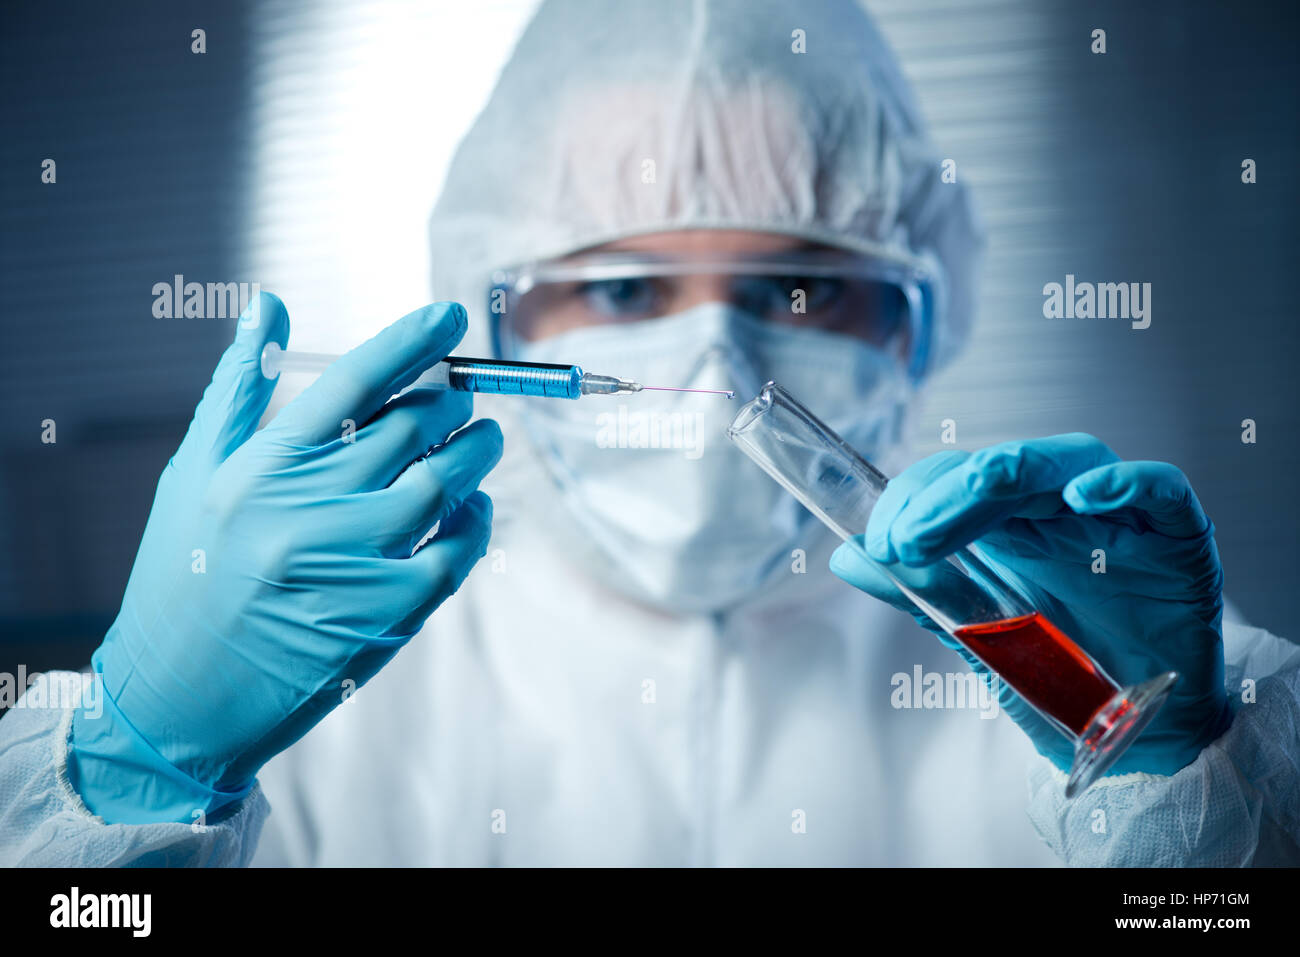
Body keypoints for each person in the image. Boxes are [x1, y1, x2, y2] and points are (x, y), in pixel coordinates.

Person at [2, 0, 1297, 867]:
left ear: (918, 321)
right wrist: (136, 772)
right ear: (504, 315)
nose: (715, 360)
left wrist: (1178, 771)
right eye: (622, 290)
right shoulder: (322, 673)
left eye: (796, 288)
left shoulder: (1053, 639)